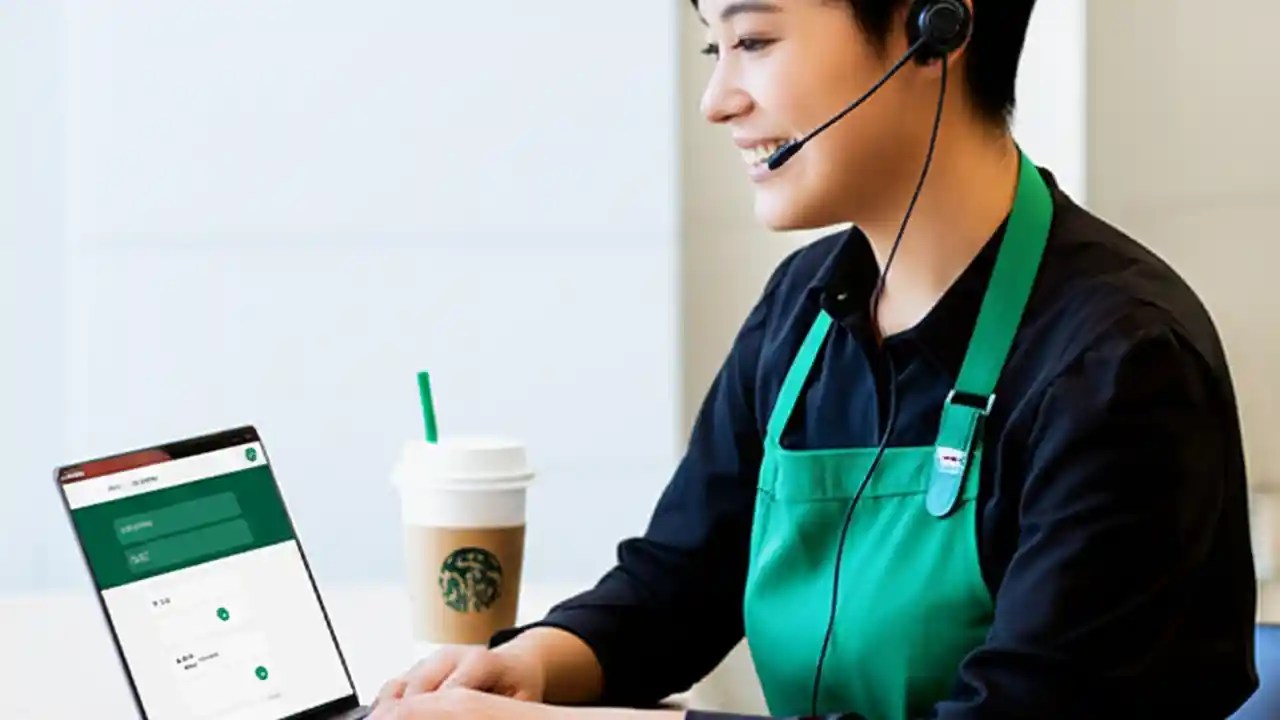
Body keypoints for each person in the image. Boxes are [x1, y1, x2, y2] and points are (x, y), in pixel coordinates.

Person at [369, 0, 1260, 718]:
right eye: (711, 48)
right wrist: (525, 668)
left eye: (753, 39)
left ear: (935, 30)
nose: (718, 98)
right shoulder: (802, 310)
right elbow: (676, 586)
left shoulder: (1122, 367)